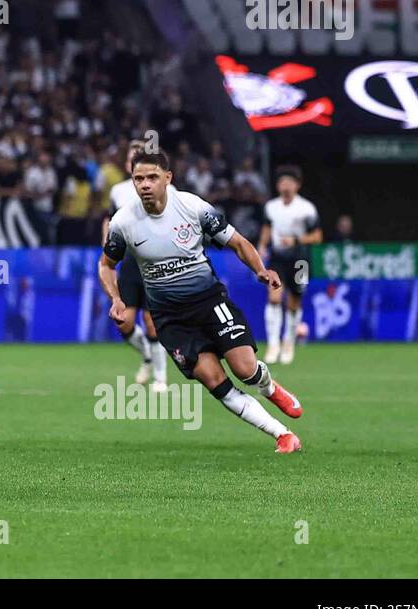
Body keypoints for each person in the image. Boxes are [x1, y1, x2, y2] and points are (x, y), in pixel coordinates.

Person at [99, 151, 304, 453]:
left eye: (152, 177)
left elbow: (237, 242)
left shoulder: (193, 207)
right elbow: (106, 264)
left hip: (208, 302)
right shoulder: (124, 221)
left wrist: (260, 270)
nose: (144, 184)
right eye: (138, 178)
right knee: (213, 379)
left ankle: (270, 388)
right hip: (170, 318)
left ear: (168, 178)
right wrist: (116, 298)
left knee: (245, 369)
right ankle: (283, 434)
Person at [102, 140, 167, 391]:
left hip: (153, 260)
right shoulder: (118, 191)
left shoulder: (160, 187)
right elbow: (108, 219)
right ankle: (148, 356)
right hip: (129, 261)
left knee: (151, 321)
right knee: (124, 322)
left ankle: (160, 378)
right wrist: (106, 242)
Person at [258, 166, 321, 364]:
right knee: (274, 298)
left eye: (289, 182)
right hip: (277, 257)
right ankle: (273, 343)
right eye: (282, 182)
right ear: (277, 185)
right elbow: (267, 227)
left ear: (297, 185)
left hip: (300, 260)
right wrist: (262, 245)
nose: (285, 186)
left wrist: (296, 240)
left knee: (294, 302)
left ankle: (289, 342)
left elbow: (317, 236)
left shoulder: (307, 208)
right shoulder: (271, 207)